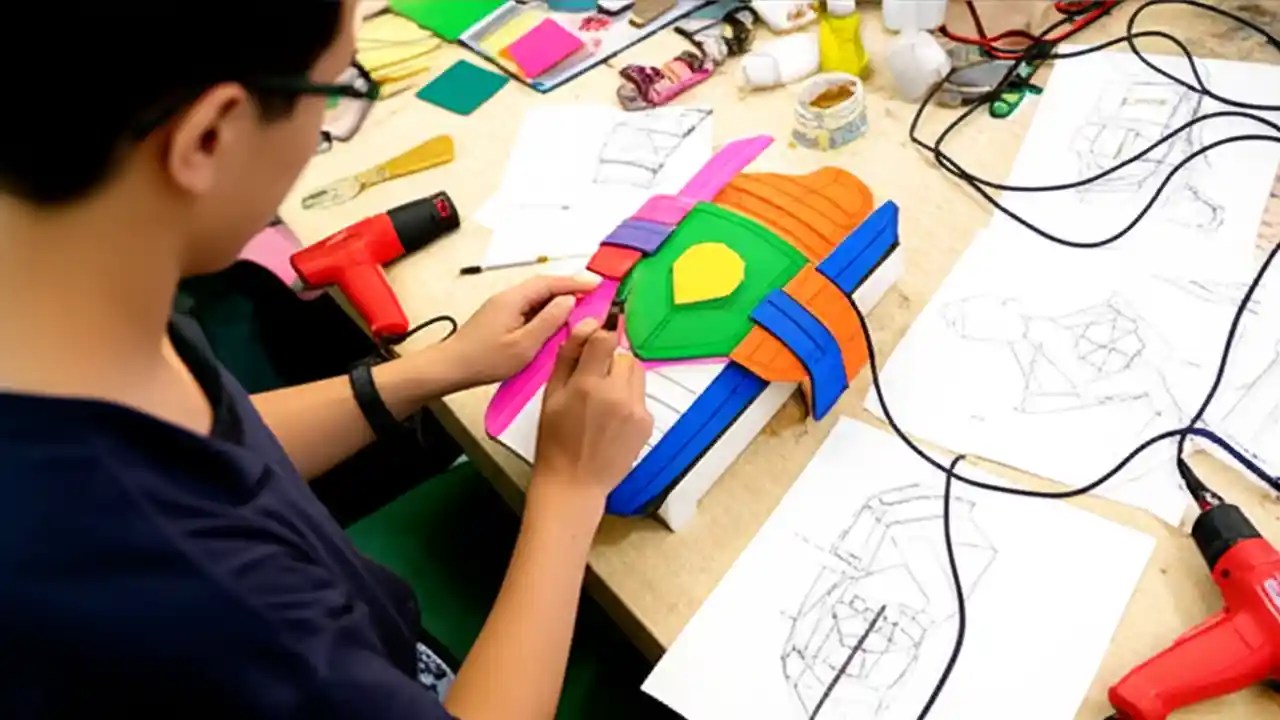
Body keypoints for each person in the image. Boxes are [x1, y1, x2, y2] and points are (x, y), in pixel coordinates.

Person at [0, 2, 653, 718]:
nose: (326, 129)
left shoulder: (71, 291)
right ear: (210, 136)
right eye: (340, 87)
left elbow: (205, 438)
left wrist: (431, 369)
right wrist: (568, 489)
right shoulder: (220, 605)